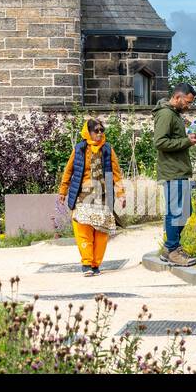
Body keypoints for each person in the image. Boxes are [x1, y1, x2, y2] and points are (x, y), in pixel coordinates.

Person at [59, 118, 125, 276]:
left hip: (102, 196)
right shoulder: (79, 149)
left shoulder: (108, 149)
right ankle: (87, 263)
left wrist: (121, 194)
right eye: (96, 130)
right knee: (83, 229)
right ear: (87, 132)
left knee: (101, 231)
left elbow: (116, 173)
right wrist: (63, 191)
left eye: (102, 130)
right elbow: (68, 171)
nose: (100, 133)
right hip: (82, 196)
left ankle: (96, 264)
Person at [154, 83, 196, 267]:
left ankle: (170, 248)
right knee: (176, 212)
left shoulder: (174, 114)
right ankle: (173, 250)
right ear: (178, 97)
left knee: (185, 210)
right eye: (187, 102)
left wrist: (186, 139)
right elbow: (160, 142)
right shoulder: (166, 114)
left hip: (179, 170)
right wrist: (186, 141)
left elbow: (172, 140)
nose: (188, 106)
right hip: (172, 171)